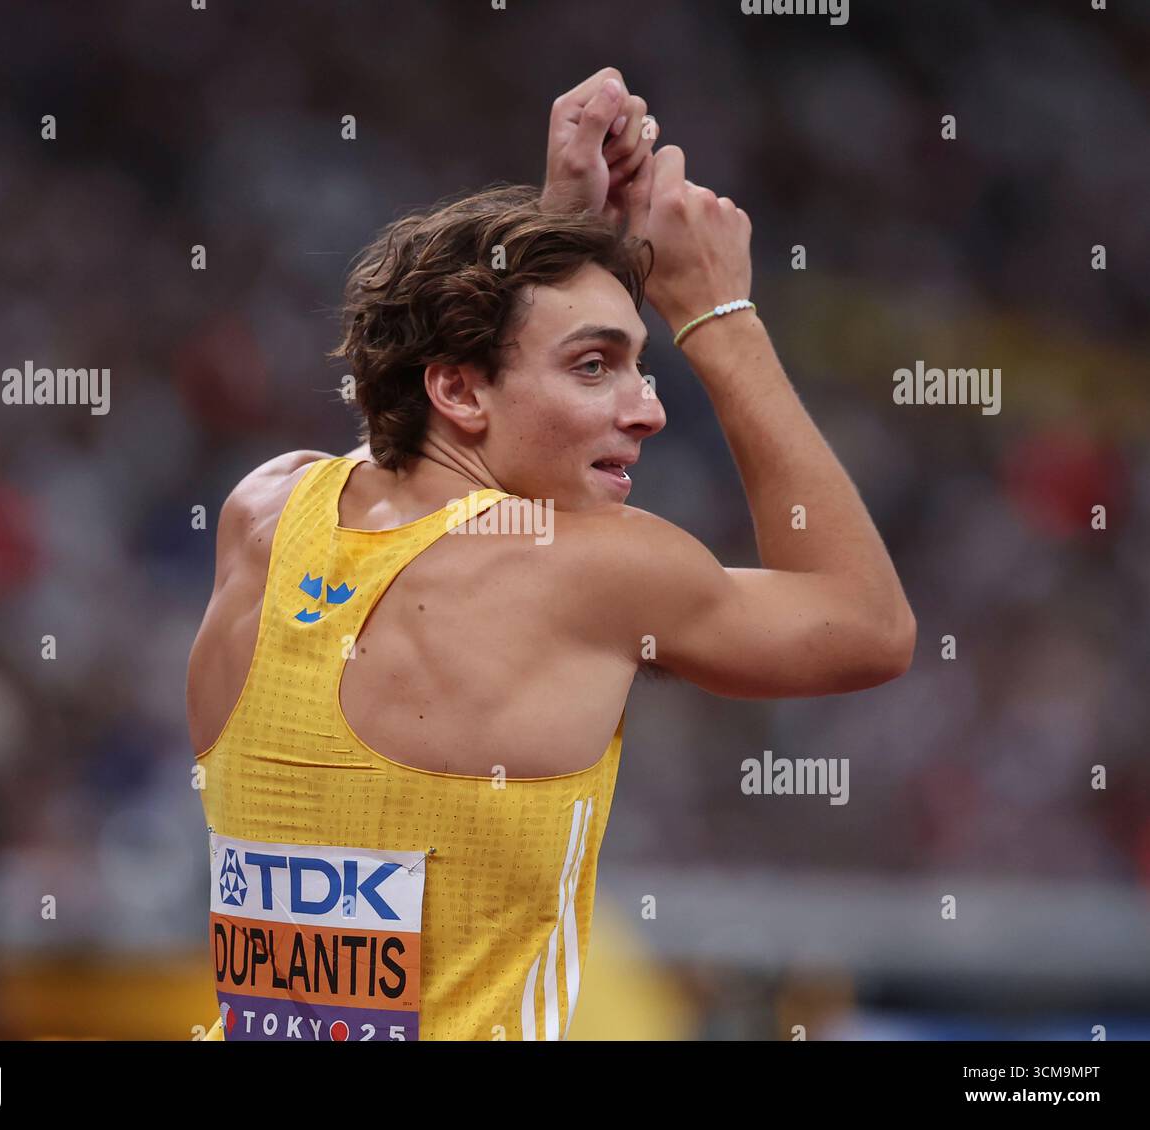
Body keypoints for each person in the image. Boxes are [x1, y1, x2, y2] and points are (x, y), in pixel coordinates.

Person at [187, 68, 915, 1042]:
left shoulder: (264, 512)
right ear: (459, 388)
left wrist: (545, 243)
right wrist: (713, 316)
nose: (648, 408)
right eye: (595, 364)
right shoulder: (590, 568)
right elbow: (865, 624)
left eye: (639, 362)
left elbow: (406, 456)